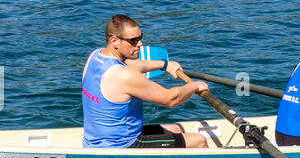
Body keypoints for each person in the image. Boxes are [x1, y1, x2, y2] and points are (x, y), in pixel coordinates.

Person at [81, 14, 210, 148]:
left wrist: (164, 65)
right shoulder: (124, 76)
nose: (140, 44)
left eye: (140, 38)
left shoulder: (95, 56)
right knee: (199, 141)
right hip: (122, 147)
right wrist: (194, 86)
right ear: (114, 41)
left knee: (175, 128)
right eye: (133, 40)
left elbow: (132, 65)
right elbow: (170, 99)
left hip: (93, 143)